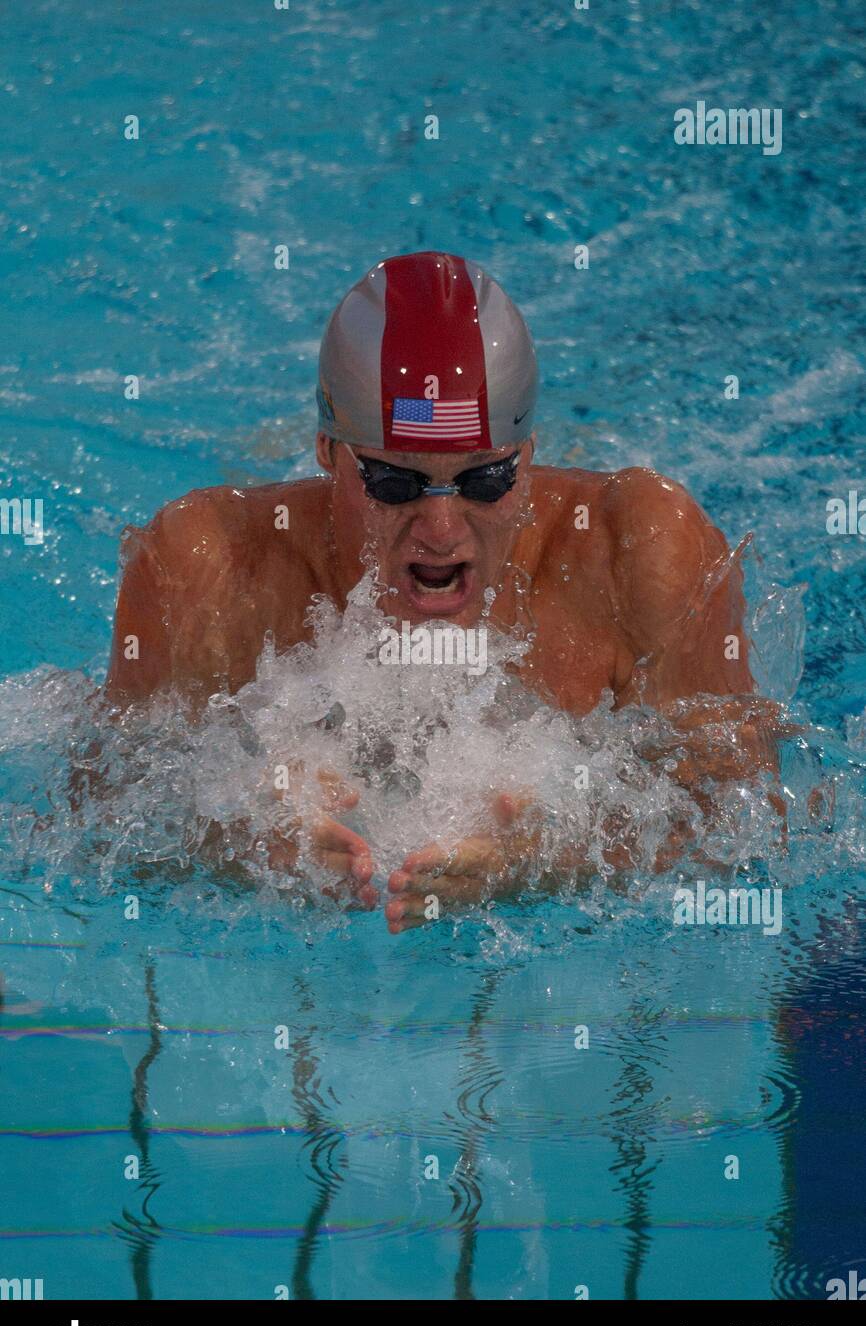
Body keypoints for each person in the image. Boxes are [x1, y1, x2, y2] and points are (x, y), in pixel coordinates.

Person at [105, 251, 780, 930]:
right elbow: (97, 818)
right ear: (326, 451)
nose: (441, 530)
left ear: (529, 457)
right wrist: (237, 839)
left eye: (485, 480)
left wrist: (549, 856)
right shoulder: (210, 567)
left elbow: (750, 827)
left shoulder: (636, 551)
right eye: (393, 484)